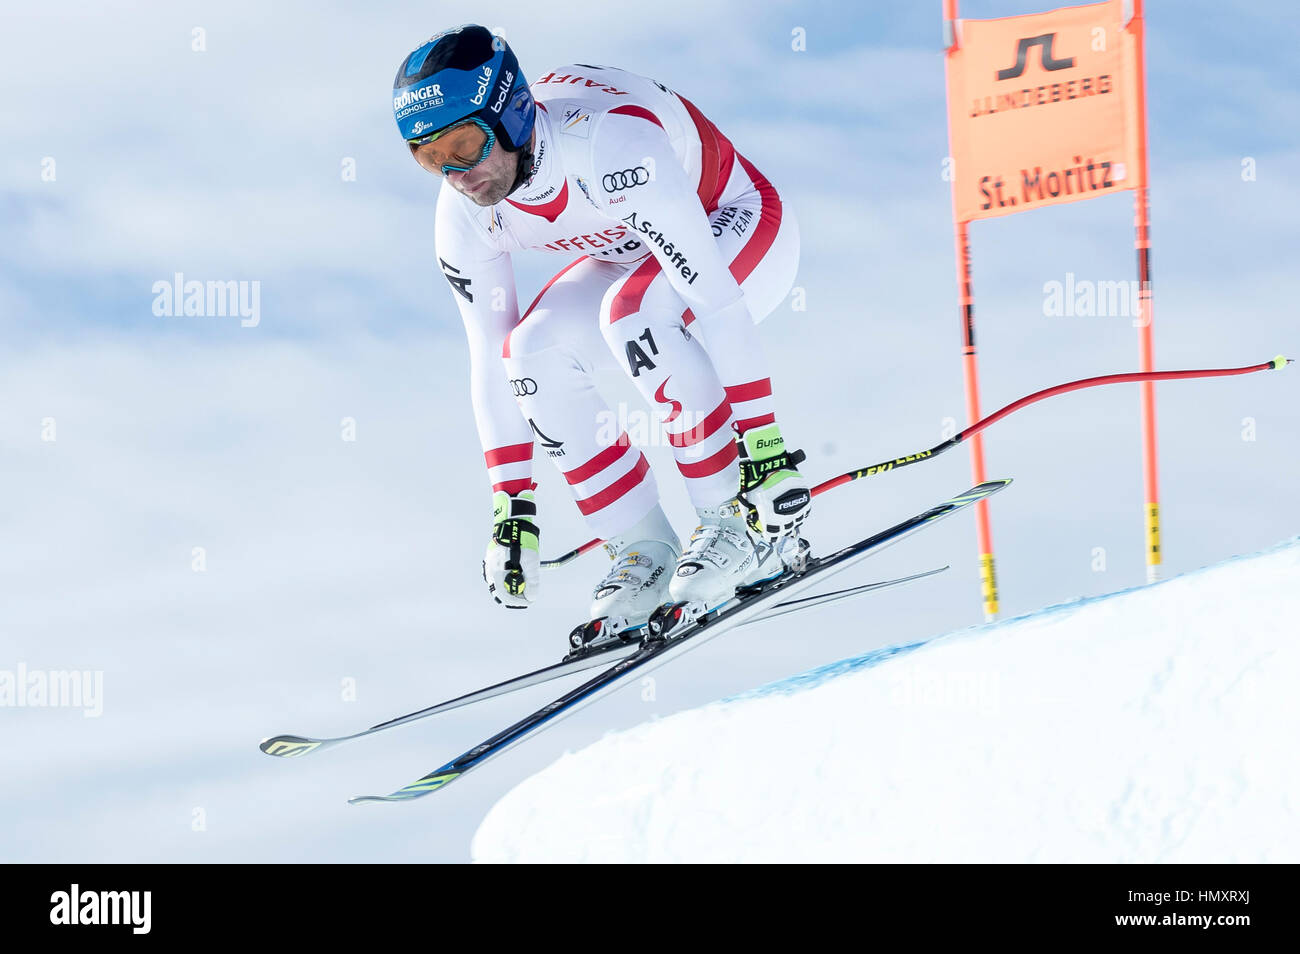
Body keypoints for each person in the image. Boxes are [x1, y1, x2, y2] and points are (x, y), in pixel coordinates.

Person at [394, 24, 812, 640]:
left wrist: (767, 450)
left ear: (509, 115)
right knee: (529, 351)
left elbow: (715, 301)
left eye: (462, 144)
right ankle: (643, 550)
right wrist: (512, 508)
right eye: (430, 158)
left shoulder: (608, 145)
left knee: (633, 313)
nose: (456, 174)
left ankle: (738, 521)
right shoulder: (464, 213)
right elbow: (487, 356)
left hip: (737, 225)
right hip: (631, 256)